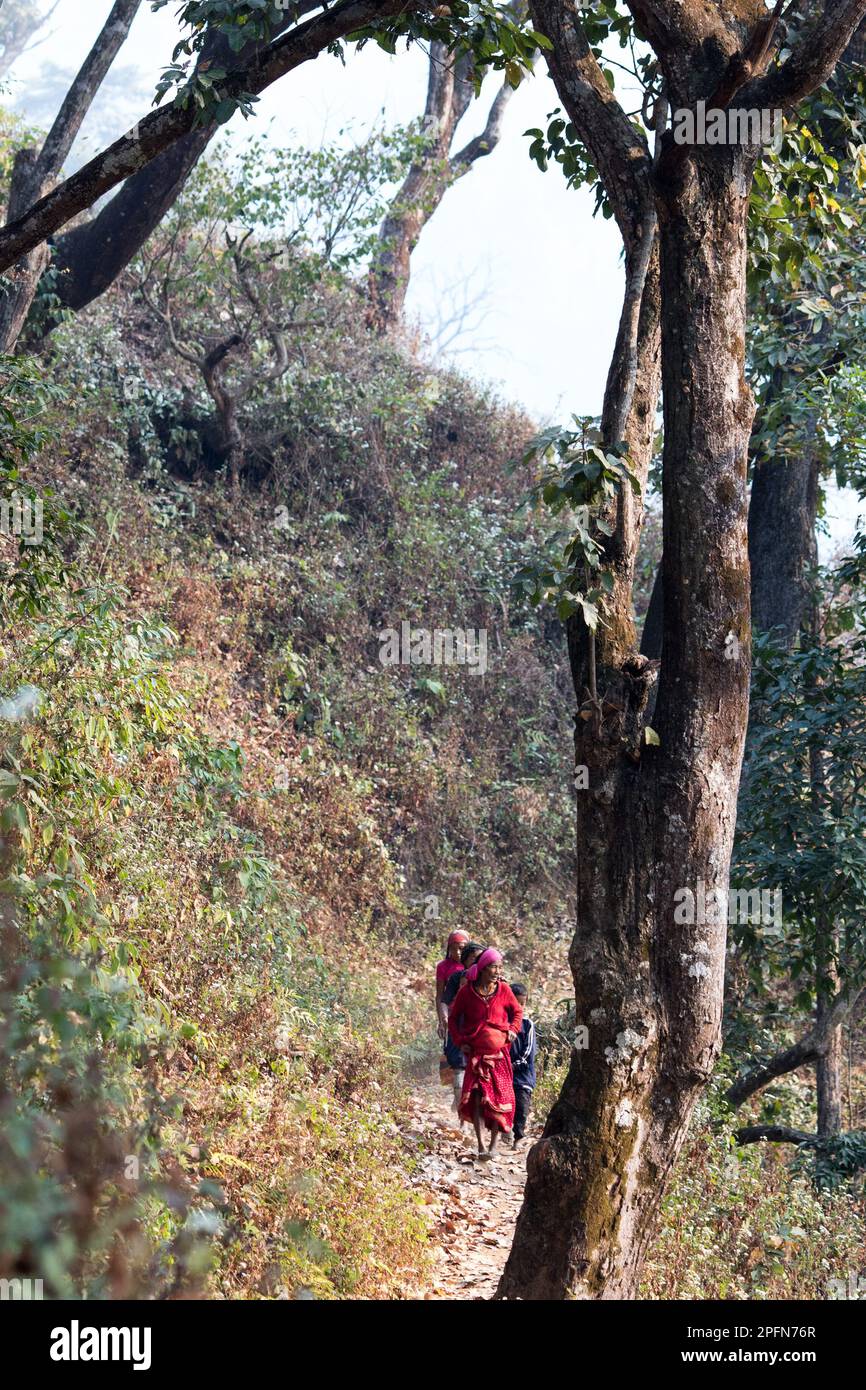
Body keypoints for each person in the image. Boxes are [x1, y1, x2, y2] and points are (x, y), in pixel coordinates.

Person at [448, 948, 522, 1161]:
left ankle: (493, 1145)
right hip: (476, 1055)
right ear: (482, 968)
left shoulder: (505, 990)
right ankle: (481, 1145)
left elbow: (517, 1012)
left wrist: (513, 1030)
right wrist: (460, 1041)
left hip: (499, 1056)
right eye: (493, 967)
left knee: (497, 1099)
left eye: (500, 967)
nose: (498, 971)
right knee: (478, 1097)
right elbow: (453, 1019)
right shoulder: (466, 993)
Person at [441, 942, 484, 1112]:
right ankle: (460, 1108)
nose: (477, 961)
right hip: (458, 1026)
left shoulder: (489, 979)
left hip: (480, 1030)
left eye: (480, 958)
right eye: (473, 958)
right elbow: (444, 1000)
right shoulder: (456, 978)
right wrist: (444, 1017)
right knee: (458, 1066)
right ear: (465, 960)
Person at [509, 983, 536, 1150]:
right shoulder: (502, 1021)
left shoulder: (527, 1024)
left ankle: (519, 1136)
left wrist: (513, 1065)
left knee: (521, 1106)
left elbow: (528, 1052)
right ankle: (504, 1131)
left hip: (523, 1075)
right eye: (515, 1002)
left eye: (522, 1003)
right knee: (503, 1104)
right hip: (504, 1072)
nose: (519, 1007)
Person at [435, 931, 469, 1040]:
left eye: (461, 948)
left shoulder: (474, 964)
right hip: (451, 1015)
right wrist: (441, 1021)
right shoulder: (443, 966)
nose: (457, 952)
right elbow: (440, 996)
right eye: (453, 949)